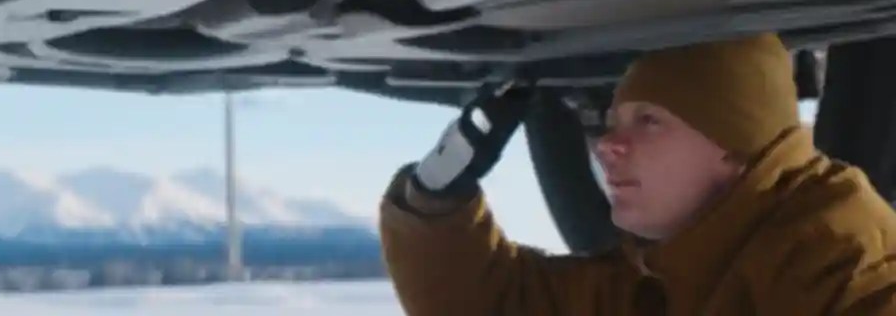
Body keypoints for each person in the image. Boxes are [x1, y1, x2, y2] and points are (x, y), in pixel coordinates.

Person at [381, 33, 896, 315]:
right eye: (611, 121)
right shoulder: (668, 273)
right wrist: (436, 196)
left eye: (648, 120)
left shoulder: (845, 267)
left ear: (737, 148)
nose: (607, 146)